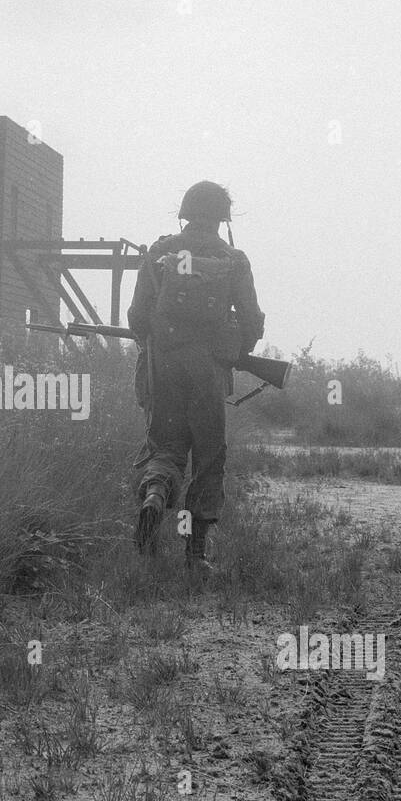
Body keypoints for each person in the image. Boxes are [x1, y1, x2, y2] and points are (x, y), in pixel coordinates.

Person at [127, 181, 265, 570]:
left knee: (166, 446)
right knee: (208, 455)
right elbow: (251, 321)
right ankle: (196, 552)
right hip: (208, 372)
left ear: (184, 213)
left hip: (163, 366)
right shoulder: (234, 259)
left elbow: (138, 316)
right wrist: (236, 351)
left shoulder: (159, 252)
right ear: (223, 218)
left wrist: (152, 343)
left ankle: (155, 494)